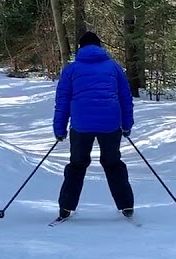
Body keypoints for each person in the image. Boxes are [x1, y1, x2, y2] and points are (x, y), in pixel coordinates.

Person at [52, 30, 135, 220]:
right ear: (100, 46)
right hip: (111, 124)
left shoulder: (71, 70)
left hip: (81, 125)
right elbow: (125, 98)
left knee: (77, 165)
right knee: (113, 164)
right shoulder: (114, 67)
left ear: (80, 48)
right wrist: (127, 124)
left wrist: (59, 129)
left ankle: (66, 208)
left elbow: (62, 101)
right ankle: (126, 206)